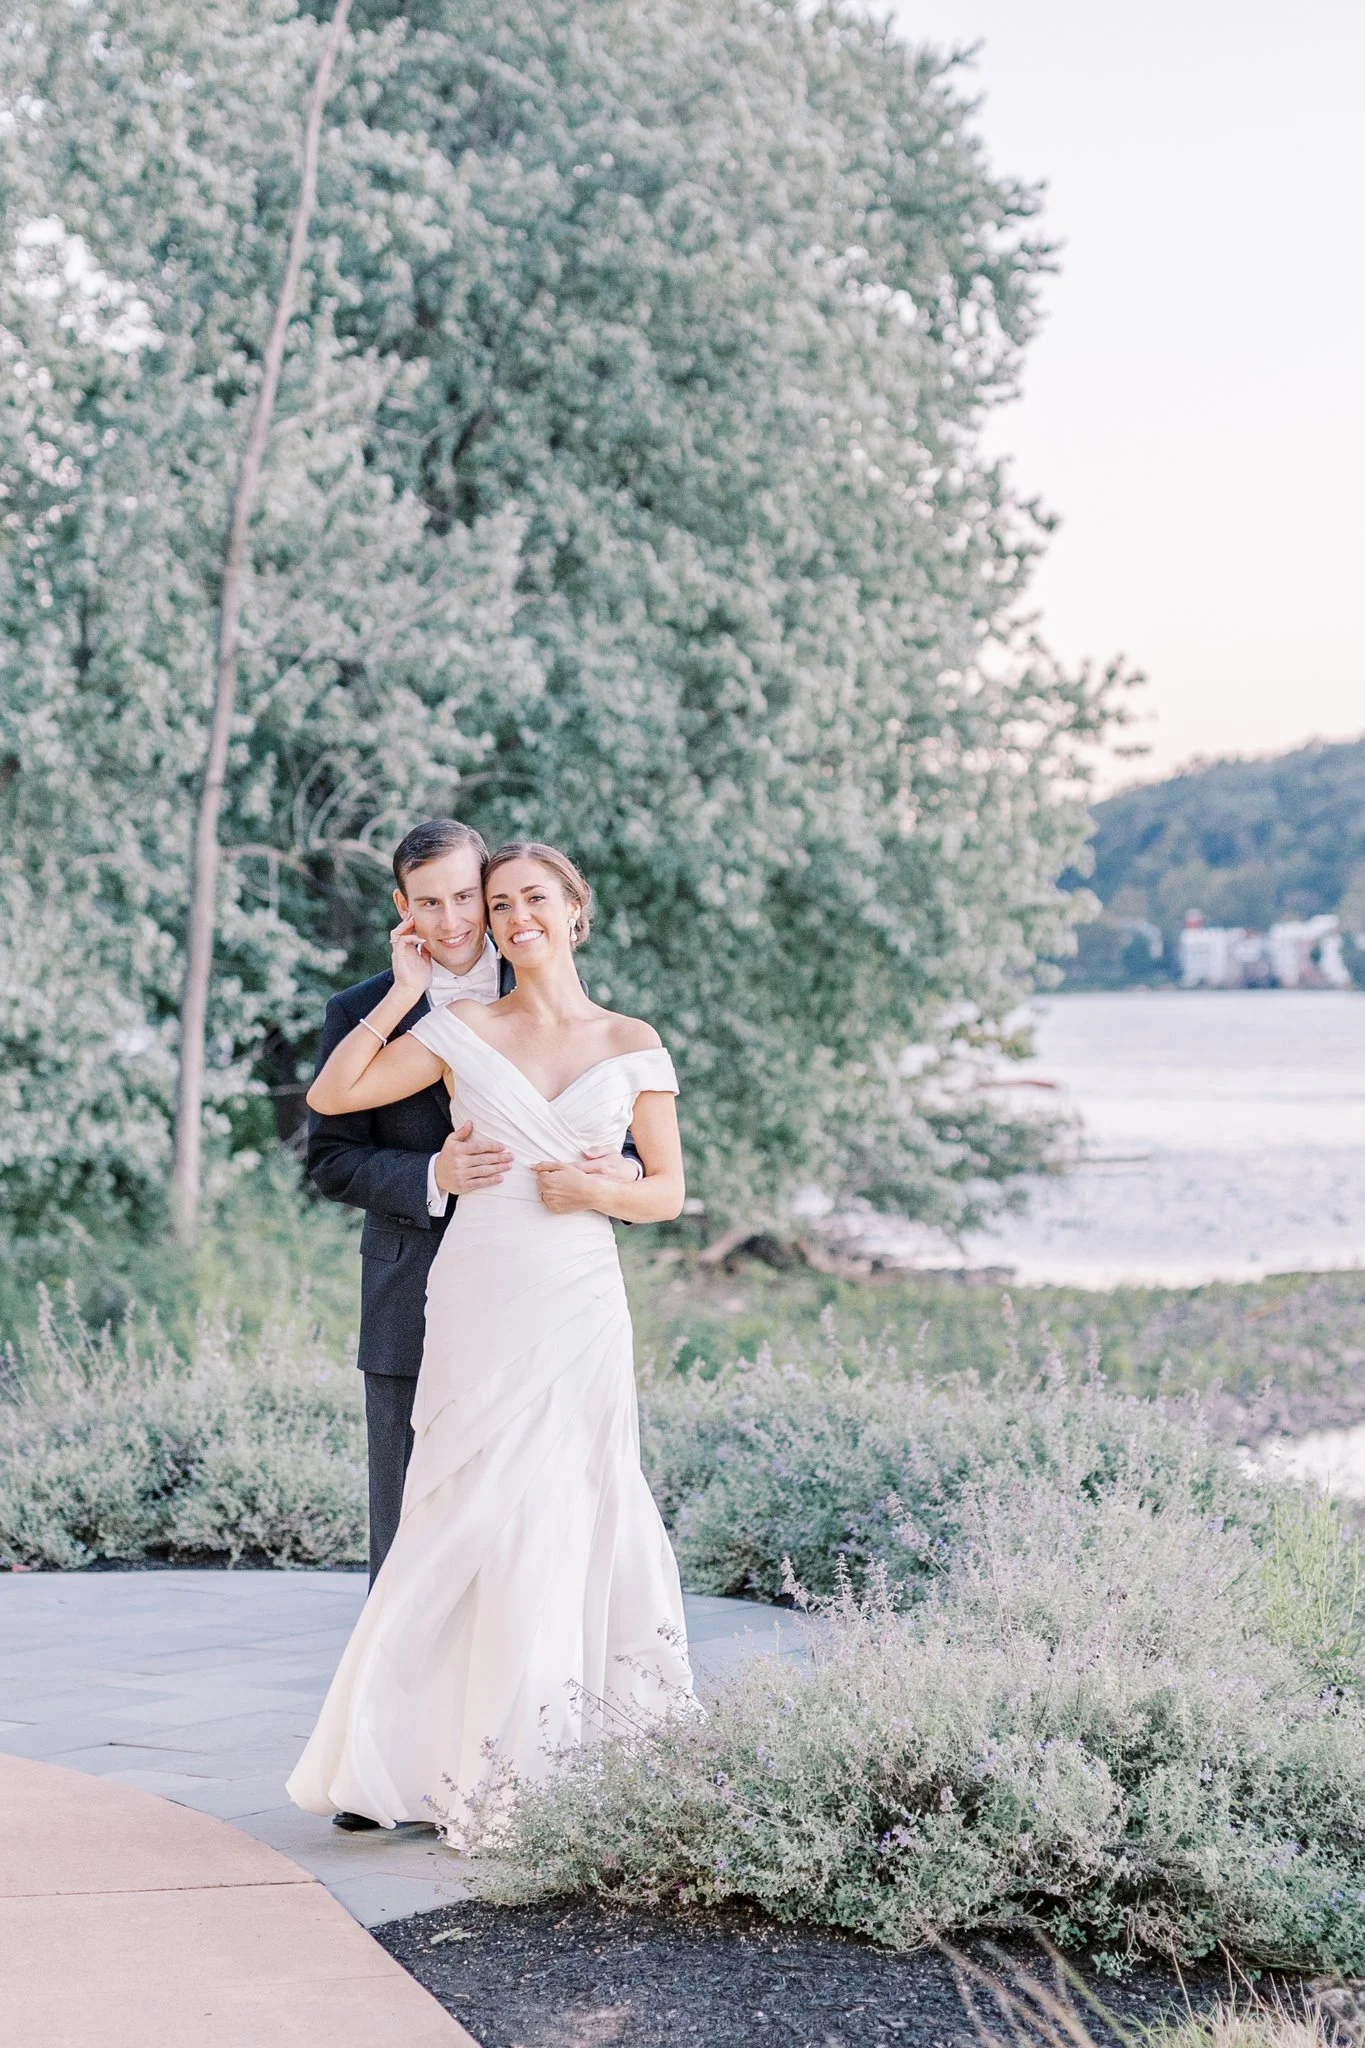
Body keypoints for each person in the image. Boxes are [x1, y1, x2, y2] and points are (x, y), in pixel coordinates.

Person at [286, 843, 695, 1832]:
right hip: (480, 1289)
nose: (514, 916)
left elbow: (668, 1191)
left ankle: (567, 1753)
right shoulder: (462, 1026)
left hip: (581, 1294)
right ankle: (413, 1753)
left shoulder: (633, 1040)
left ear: (574, 908)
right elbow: (332, 1098)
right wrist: (406, 990)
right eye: (500, 901)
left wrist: (598, 1187)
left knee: (579, 1501)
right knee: (468, 1508)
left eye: (531, 899)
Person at [307, 820, 642, 1593]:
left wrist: (610, 1179)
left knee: (535, 1491)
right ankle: (390, 1693)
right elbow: (330, 1156)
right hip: (408, 1289)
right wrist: (432, 1172)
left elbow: (619, 1136)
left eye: (467, 896)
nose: (453, 920)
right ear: (401, 907)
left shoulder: (541, 979)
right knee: (406, 1498)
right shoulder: (360, 1009)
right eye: (429, 902)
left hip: (538, 1286)